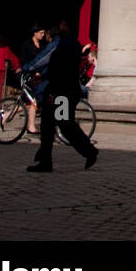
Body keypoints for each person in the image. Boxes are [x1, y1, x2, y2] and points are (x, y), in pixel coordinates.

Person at [26, 20, 98, 174]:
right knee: (49, 124)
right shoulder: (73, 43)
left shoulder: (62, 44)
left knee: (64, 123)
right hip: (63, 90)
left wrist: (26, 69)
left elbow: (53, 66)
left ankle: (89, 151)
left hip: (61, 92)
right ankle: (45, 160)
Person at [19, 24, 48, 134]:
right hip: (28, 76)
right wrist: (33, 71)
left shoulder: (43, 45)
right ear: (35, 33)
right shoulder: (26, 45)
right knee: (34, 100)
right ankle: (31, 126)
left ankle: (7, 115)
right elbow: (24, 61)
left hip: (39, 76)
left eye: (44, 33)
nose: (43, 35)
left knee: (30, 103)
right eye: (41, 33)